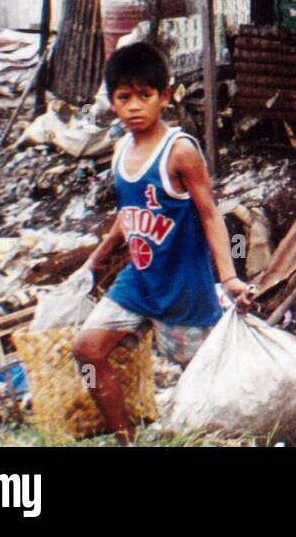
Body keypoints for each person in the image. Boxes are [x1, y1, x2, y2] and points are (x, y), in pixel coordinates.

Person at [72, 42, 250, 444]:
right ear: (112, 103)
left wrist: (229, 277)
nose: (134, 106)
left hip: (184, 289)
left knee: (207, 384)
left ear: (164, 97)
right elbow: (127, 215)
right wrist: (95, 261)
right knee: (87, 351)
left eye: (144, 96)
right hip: (137, 282)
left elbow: (210, 214)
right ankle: (125, 439)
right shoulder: (120, 151)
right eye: (124, 98)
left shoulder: (180, 151)